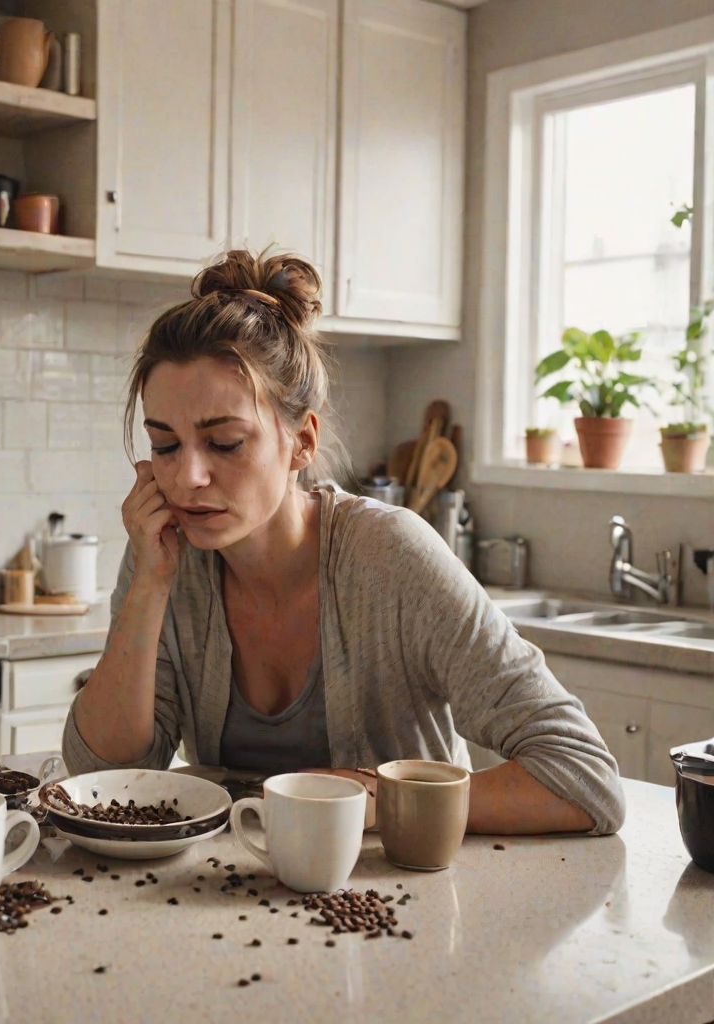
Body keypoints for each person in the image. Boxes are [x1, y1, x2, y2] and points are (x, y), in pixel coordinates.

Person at [62, 249, 625, 836]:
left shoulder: (390, 556)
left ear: (302, 442)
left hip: (404, 904)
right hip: (226, 900)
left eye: (224, 443)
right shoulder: (165, 550)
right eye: (166, 445)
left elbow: (584, 779)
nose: (187, 479)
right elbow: (106, 774)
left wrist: (377, 802)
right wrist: (150, 584)